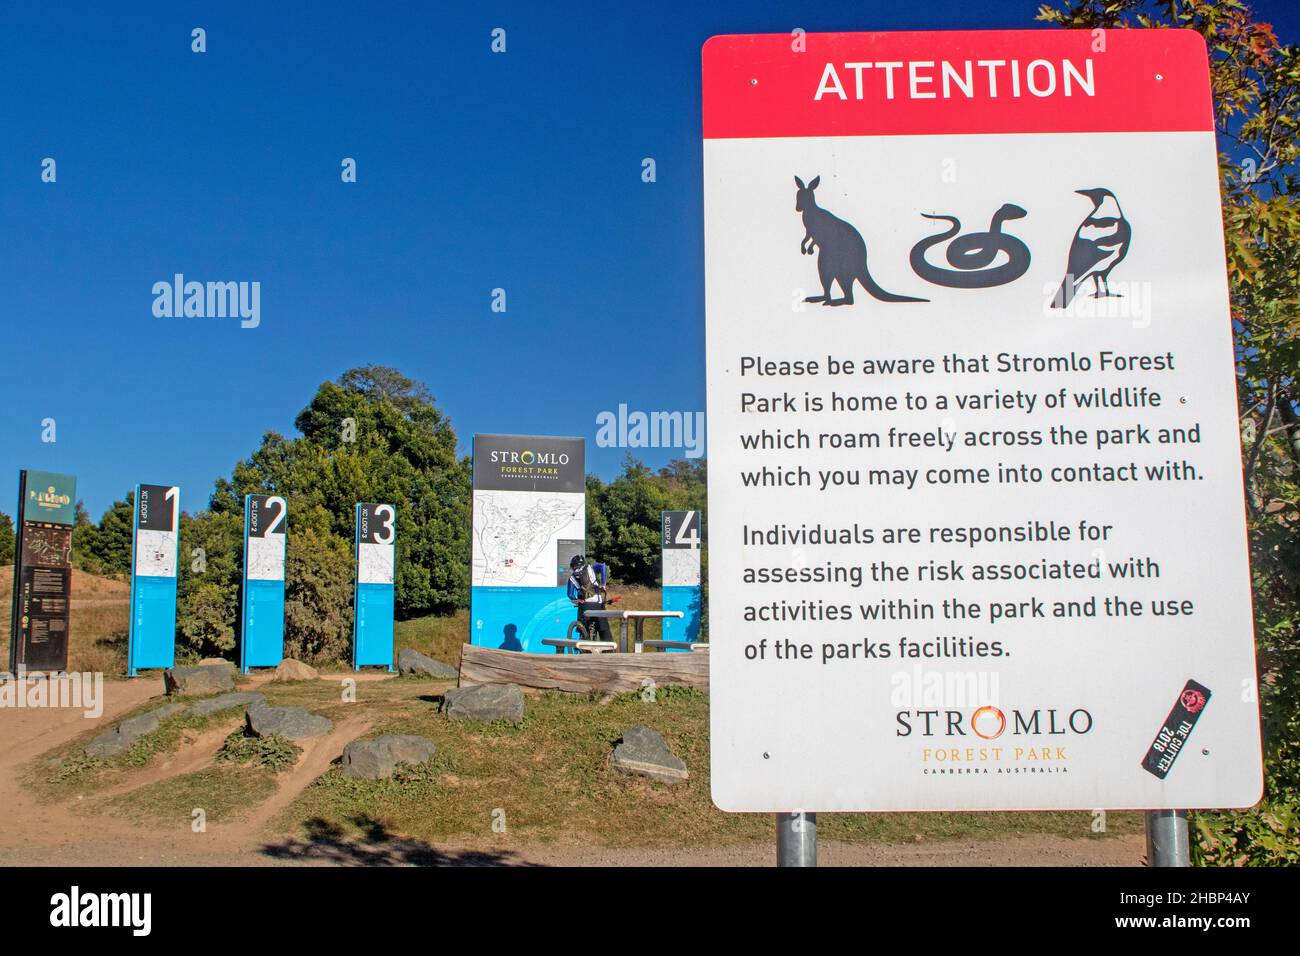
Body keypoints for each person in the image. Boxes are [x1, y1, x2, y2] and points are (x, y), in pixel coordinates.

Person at [567, 554, 614, 642]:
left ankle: (583, 643)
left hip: (585, 605)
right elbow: (603, 566)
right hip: (597, 603)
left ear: (573, 566)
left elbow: (570, 594)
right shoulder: (590, 567)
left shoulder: (572, 577)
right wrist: (603, 583)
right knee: (604, 629)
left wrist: (578, 600)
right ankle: (608, 648)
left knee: (583, 628)